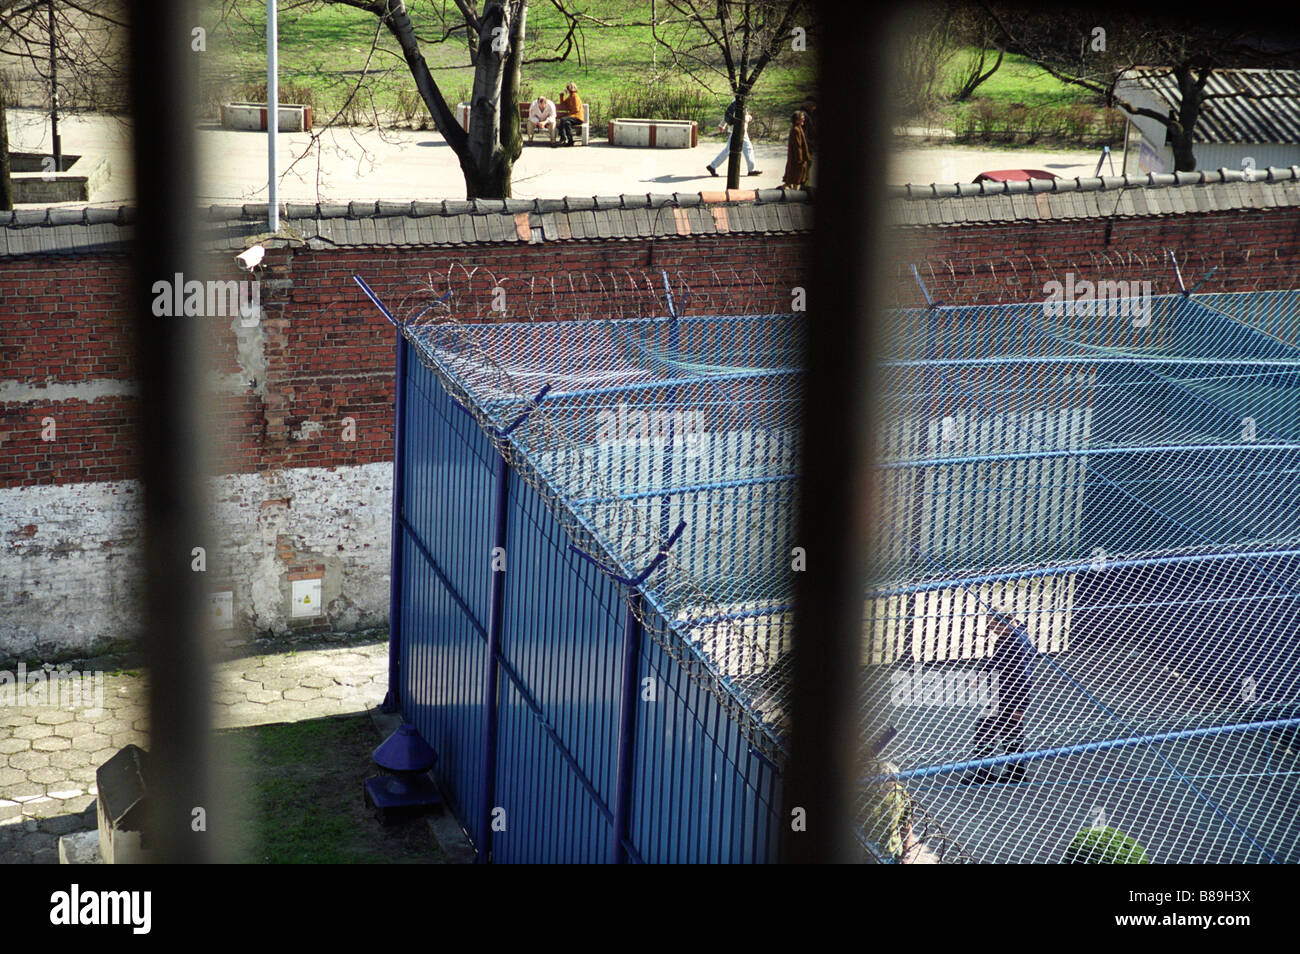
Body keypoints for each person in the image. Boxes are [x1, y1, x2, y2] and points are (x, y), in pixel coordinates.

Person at [963, 609, 1035, 784]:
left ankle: (985, 773)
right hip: (1002, 693)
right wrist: (981, 673)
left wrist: (1020, 706)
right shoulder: (1011, 637)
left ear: (1003, 623)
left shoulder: (1016, 642)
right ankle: (1016, 773)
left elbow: (1023, 676)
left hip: (1010, 696)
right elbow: (997, 661)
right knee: (1008, 732)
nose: (991, 630)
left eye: (992, 625)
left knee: (985, 731)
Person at [864, 759, 939, 863]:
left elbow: (906, 826)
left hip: (890, 852)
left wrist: (906, 852)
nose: (885, 792)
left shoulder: (900, 795)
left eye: (889, 787)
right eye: (881, 788)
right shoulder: (863, 796)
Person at [706, 99, 762, 177]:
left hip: (737, 130)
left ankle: (712, 166)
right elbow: (740, 118)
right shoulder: (742, 103)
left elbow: (728, 115)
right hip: (739, 130)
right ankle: (751, 170)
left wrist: (722, 125)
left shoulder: (735, 101)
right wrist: (748, 117)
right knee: (747, 149)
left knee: (729, 150)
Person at [781, 110, 811, 190]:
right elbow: (797, 146)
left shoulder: (799, 128)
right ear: (797, 120)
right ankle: (792, 190)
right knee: (796, 175)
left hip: (799, 157)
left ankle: (790, 188)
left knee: (797, 176)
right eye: (802, 118)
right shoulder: (795, 130)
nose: (803, 120)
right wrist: (800, 158)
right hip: (797, 158)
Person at [556, 82, 584, 146]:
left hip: (578, 117)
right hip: (573, 117)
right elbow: (563, 103)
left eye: (567, 88)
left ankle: (562, 137)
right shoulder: (570, 96)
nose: (567, 90)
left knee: (563, 119)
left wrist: (569, 115)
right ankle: (570, 141)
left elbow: (576, 109)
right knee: (567, 123)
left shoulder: (575, 96)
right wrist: (561, 95)